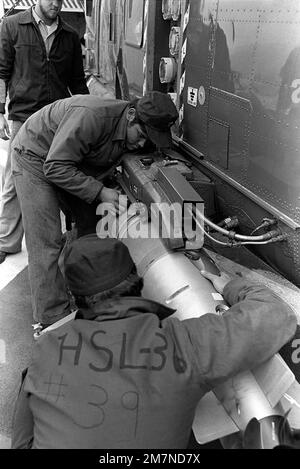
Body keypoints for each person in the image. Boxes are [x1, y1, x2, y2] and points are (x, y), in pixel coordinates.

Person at [11, 235, 297, 449]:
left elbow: (22, 442)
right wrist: (230, 286)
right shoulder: (182, 345)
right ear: (139, 283)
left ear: (76, 298)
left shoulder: (44, 352)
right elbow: (275, 314)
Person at [10, 91, 178, 329]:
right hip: (34, 158)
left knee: (89, 226)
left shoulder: (128, 126)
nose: (142, 143)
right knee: (46, 242)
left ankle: (77, 287)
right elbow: (55, 167)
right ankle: (52, 321)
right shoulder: (92, 116)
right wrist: (100, 192)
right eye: (141, 135)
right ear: (131, 115)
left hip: (69, 162)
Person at [0, 0, 89, 264]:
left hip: (58, 121)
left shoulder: (70, 36)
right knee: (15, 180)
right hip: (24, 117)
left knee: (60, 175)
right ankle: (6, 240)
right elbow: (2, 72)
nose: (56, 4)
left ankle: (67, 236)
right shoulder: (12, 26)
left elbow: (77, 82)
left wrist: (86, 111)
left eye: (61, 0)